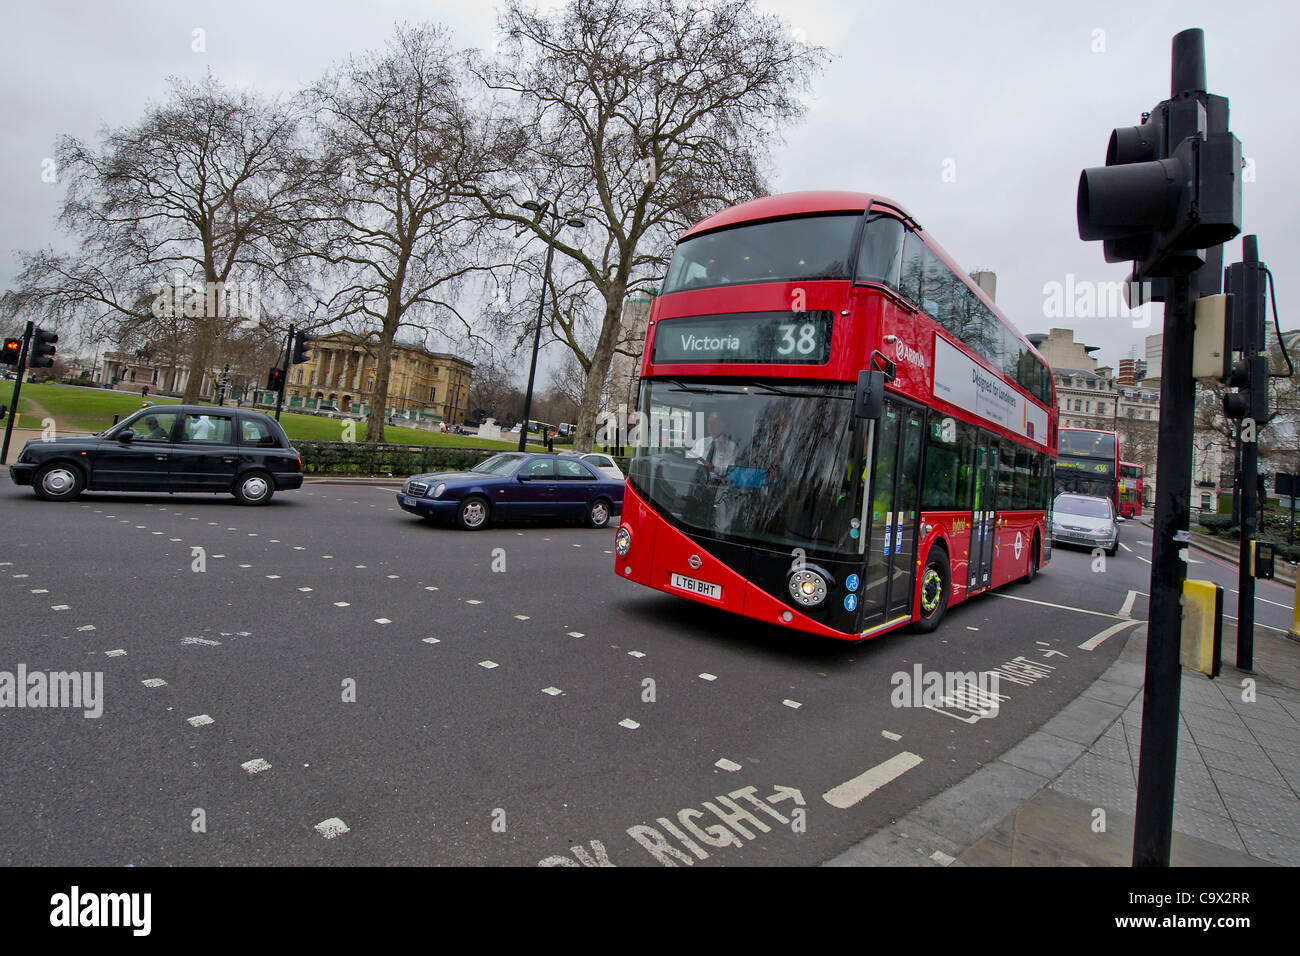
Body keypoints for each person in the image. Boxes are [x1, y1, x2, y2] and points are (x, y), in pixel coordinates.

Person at [686, 410, 737, 478]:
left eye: (714, 423)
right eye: (709, 423)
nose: (711, 426)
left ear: (723, 425)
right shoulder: (701, 442)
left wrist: (714, 469)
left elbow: (731, 472)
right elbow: (689, 462)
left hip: (717, 485)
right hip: (697, 482)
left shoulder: (731, 447)